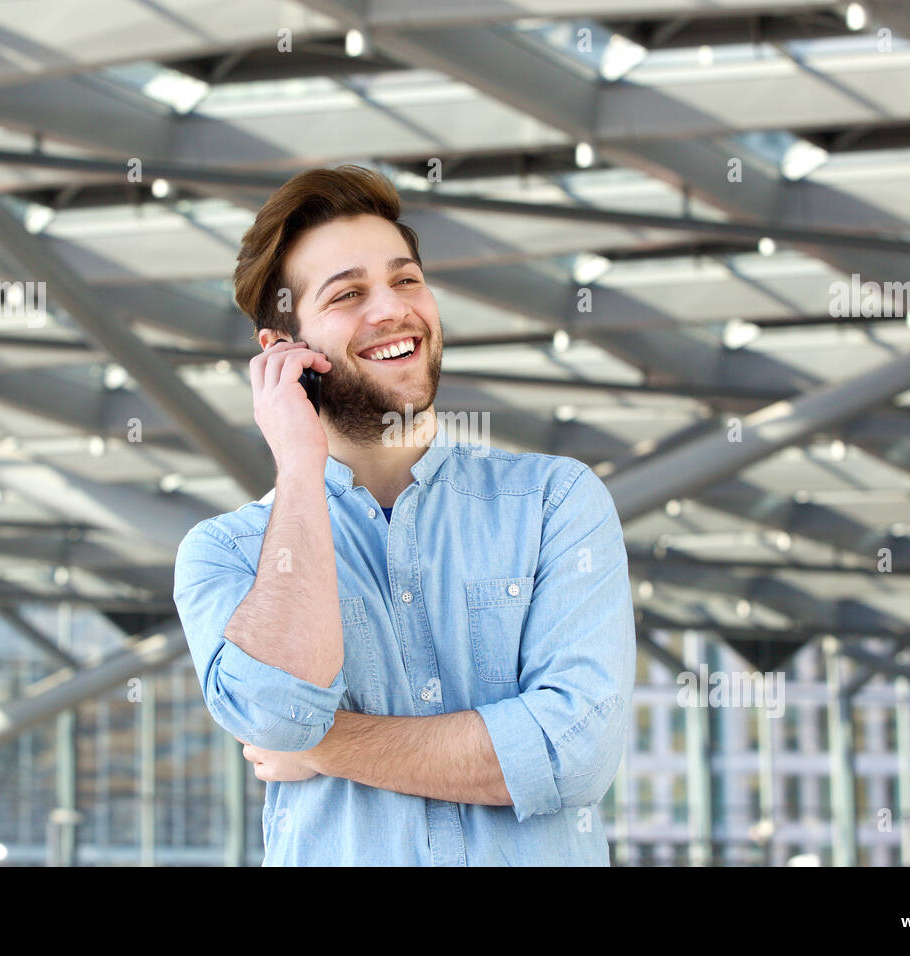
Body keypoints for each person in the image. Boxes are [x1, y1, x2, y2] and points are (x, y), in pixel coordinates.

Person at [172, 164, 635, 865]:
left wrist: (326, 747)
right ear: (283, 353)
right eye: (348, 294)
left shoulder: (554, 503)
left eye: (406, 279)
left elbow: (572, 752)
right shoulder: (226, 553)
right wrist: (298, 469)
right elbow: (275, 710)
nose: (391, 309)